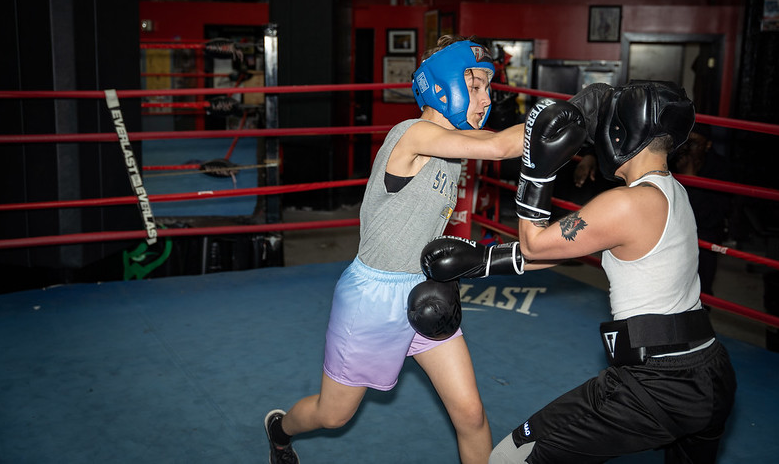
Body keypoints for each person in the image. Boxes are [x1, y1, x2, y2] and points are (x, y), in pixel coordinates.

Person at [421, 80, 737, 463]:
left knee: (512, 455)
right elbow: (564, 245)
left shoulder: (626, 204)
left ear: (620, 130)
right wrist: (485, 262)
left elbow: (536, 242)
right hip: (710, 373)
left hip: (655, 385)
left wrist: (537, 167)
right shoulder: (672, 192)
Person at [264, 35, 528, 464]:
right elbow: (497, 147)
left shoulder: (453, 148)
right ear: (443, 87)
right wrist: (570, 116)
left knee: (471, 415)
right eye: (475, 86)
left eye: (487, 88)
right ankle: (280, 430)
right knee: (333, 415)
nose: (486, 99)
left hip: (427, 294)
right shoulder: (413, 134)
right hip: (372, 298)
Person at [670, 123, 733, 297]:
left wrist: (691, 180)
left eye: (695, 143)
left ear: (708, 145)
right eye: (685, 142)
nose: (688, 149)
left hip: (704, 233)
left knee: (700, 287)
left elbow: (712, 218)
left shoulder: (720, 168)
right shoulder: (673, 161)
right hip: (672, 230)